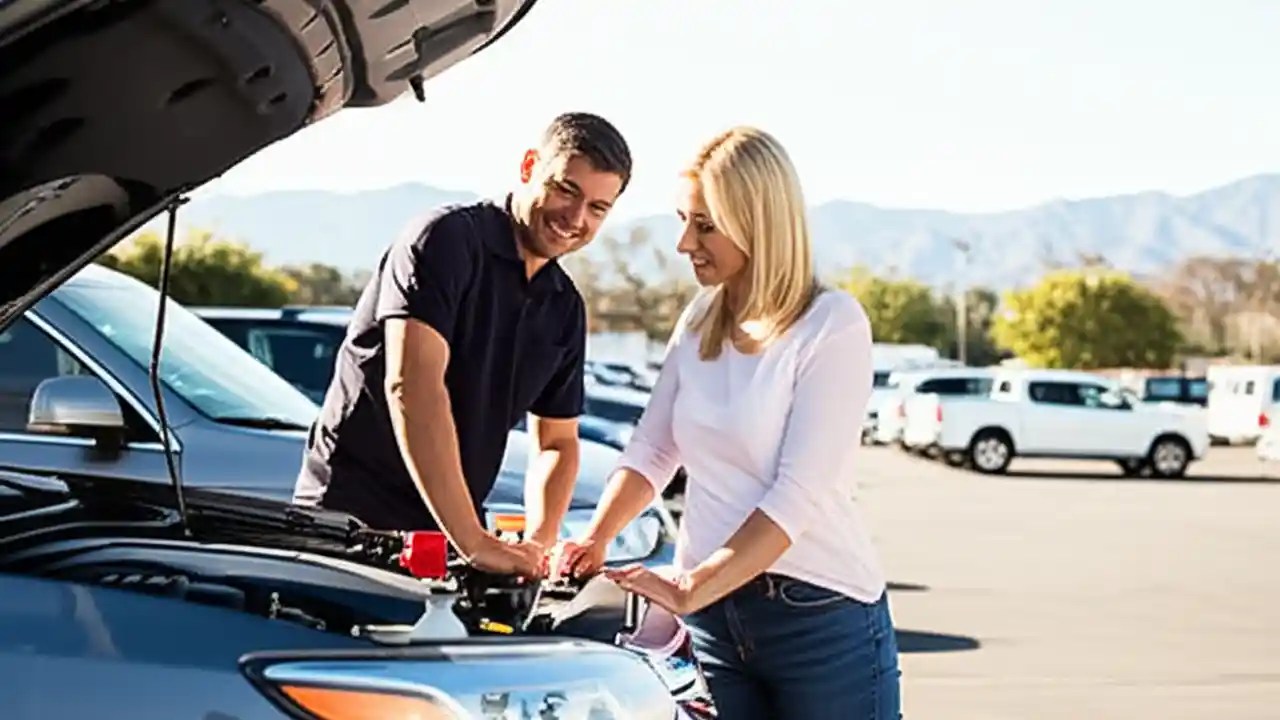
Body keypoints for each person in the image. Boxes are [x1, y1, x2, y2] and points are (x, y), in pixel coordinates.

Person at [554, 126, 901, 718]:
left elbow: (797, 495)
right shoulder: (700, 318)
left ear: (758, 223)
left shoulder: (832, 324)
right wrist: (594, 536)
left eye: (705, 225)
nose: (685, 242)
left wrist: (692, 587)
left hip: (819, 619)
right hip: (716, 619)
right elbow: (652, 451)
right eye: (683, 220)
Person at [293, 112, 632, 578]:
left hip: (446, 549)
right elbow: (412, 388)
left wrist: (539, 541)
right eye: (566, 189)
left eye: (598, 208)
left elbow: (556, 441)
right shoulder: (445, 240)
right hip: (348, 527)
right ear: (530, 165)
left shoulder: (564, 307)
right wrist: (472, 539)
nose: (575, 218)